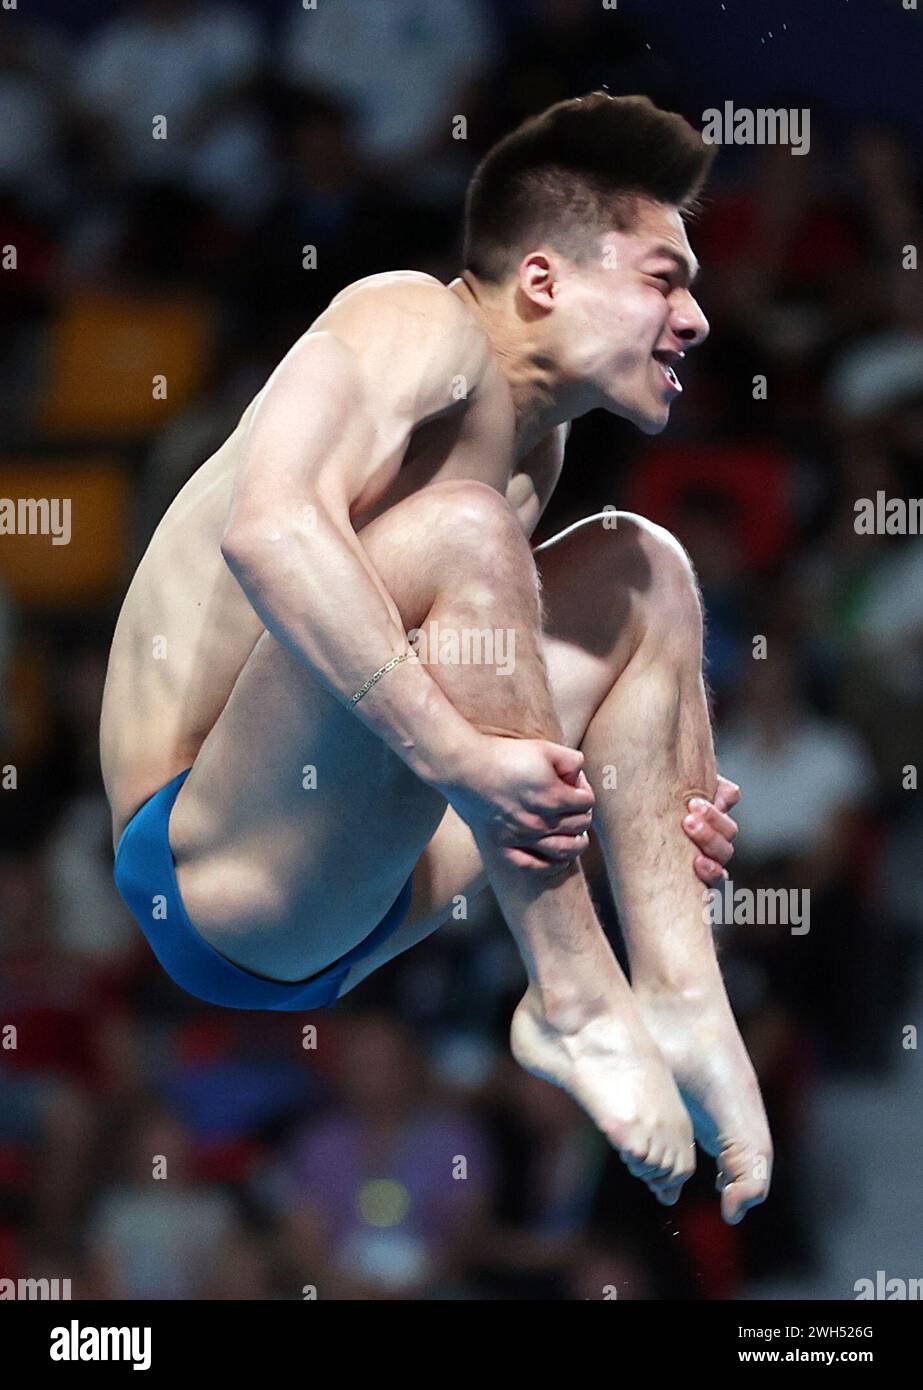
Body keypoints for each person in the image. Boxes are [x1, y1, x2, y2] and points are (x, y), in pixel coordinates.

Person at [101, 93, 772, 1221]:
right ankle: (569, 990)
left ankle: (675, 989)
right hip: (210, 869)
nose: (695, 317)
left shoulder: (539, 445)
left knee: (643, 567)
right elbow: (269, 528)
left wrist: (660, 799)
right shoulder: (406, 317)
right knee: (468, 528)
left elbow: (503, 714)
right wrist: (462, 753)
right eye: (664, 277)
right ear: (544, 279)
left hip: (363, 882)